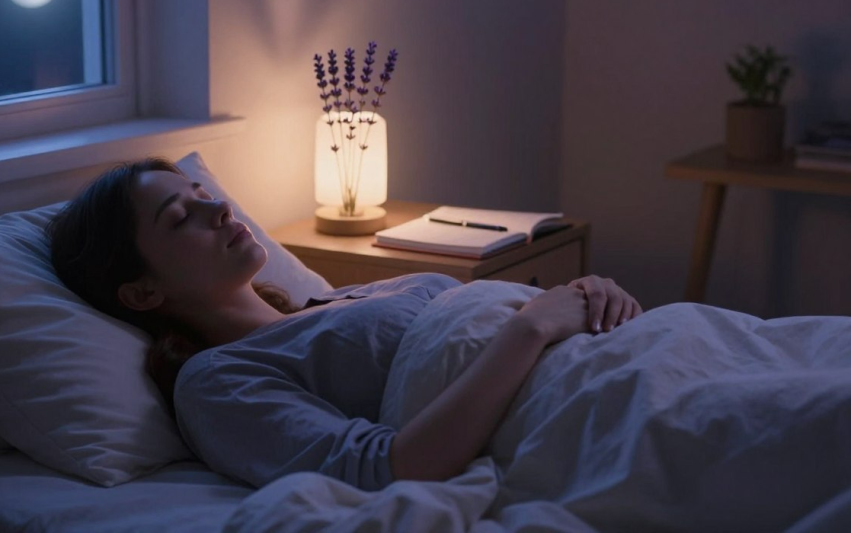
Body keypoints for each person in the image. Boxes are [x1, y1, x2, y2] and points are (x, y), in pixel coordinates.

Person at [46, 157, 643, 492]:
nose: (219, 207)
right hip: (586, 415)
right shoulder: (215, 381)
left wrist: (589, 294)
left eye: (203, 192)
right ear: (143, 291)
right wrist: (530, 329)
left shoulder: (341, 299)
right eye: (181, 217)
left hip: (623, 357)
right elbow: (393, 467)